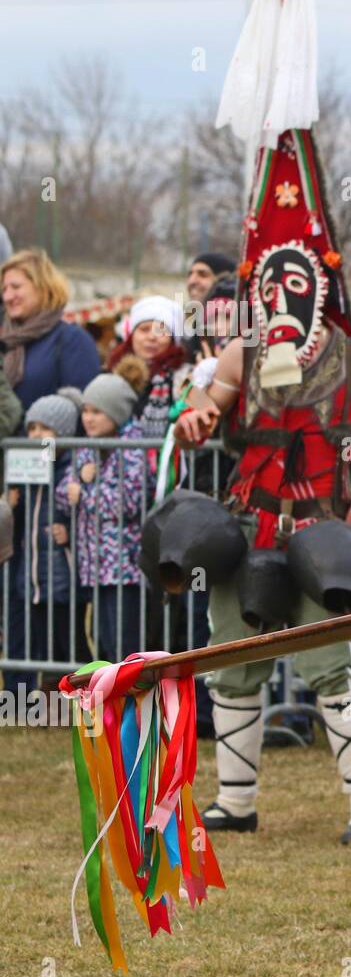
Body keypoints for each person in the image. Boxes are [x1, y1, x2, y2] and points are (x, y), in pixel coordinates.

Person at [175, 0, 351, 844]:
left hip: (321, 524)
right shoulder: (240, 349)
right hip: (248, 522)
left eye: (295, 278)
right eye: (270, 279)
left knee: (328, 662)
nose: (281, 291)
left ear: (318, 284)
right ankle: (235, 804)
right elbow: (200, 406)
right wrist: (199, 416)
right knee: (234, 663)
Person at [57, 373, 148, 663]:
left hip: (124, 566)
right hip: (95, 565)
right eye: (85, 410)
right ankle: (113, 705)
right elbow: (62, 493)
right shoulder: (88, 446)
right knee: (104, 641)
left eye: (96, 411)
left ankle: (132, 705)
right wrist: (79, 488)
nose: (88, 418)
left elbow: (127, 503)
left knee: (125, 644)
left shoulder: (132, 449)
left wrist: (84, 491)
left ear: (116, 412)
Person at [8, 388, 92, 688]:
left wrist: (68, 532)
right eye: (32, 428)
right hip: (30, 574)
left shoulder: (70, 470)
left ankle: (85, 696)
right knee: (36, 639)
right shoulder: (22, 470)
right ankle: (38, 700)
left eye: (45, 428)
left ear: (64, 432)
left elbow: (83, 512)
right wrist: (10, 503)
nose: (35, 435)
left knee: (69, 639)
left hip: (62, 574)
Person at [0, 249, 101, 408]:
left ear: (43, 287)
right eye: (4, 289)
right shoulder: (5, 341)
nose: (7, 296)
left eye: (16, 287)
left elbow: (85, 408)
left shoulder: (71, 340)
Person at [105, 295, 191, 442]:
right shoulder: (111, 376)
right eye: (144, 330)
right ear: (131, 336)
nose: (151, 337)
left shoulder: (184, 377)